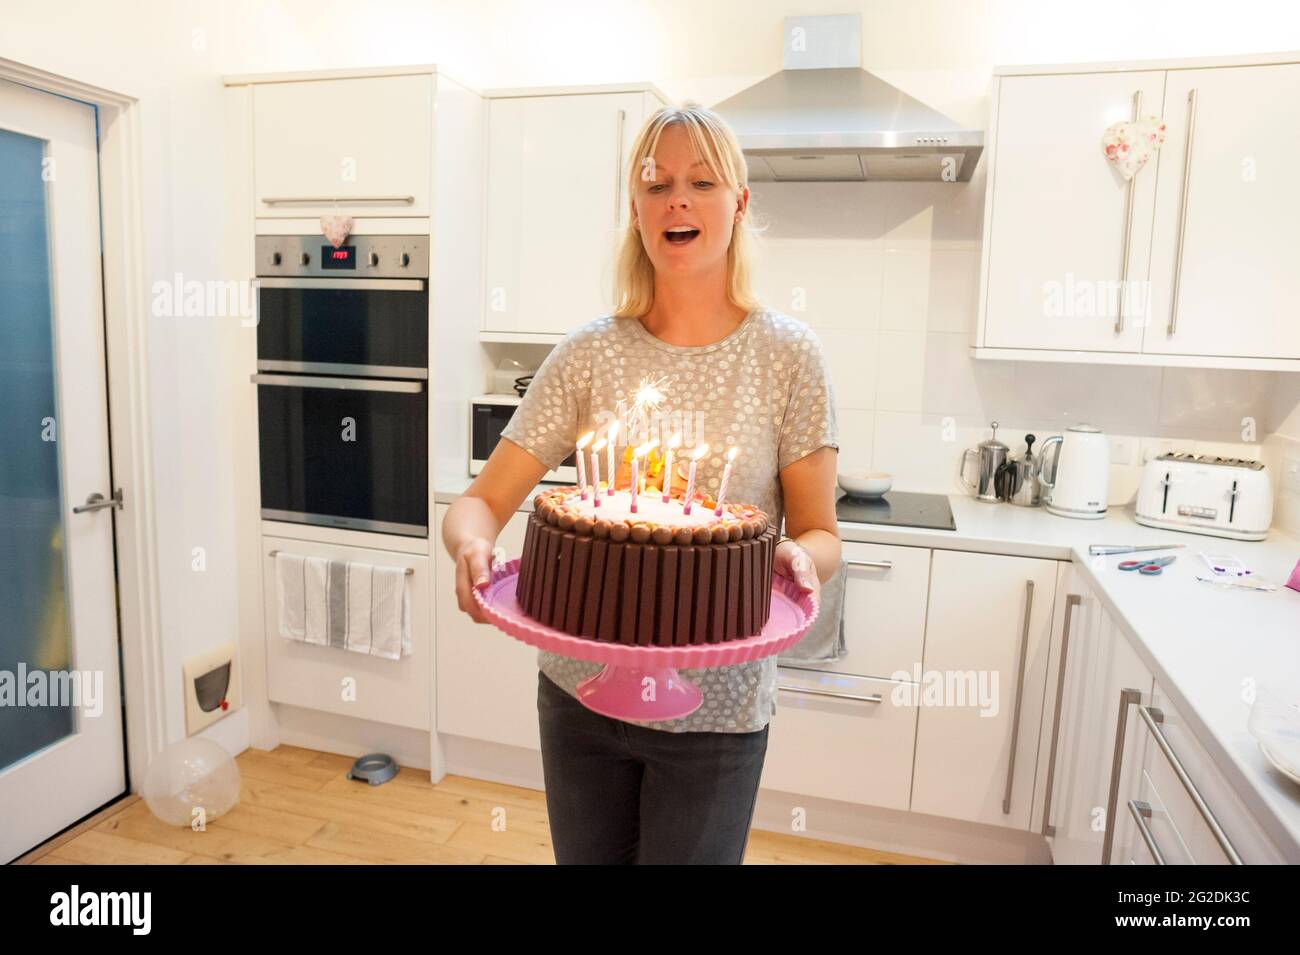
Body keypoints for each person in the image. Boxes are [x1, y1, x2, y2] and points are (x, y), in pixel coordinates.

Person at [441, 101, 841, 864]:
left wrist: (799, 559)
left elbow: (821, 534)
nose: (677, 200)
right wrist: (470, 546)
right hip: (579, 699)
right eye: (656, 184)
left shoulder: (790, 357)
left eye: (701, 182)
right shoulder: (589, 354)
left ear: (739, 202)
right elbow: (481, 502)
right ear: (636, 209)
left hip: (718, 716)